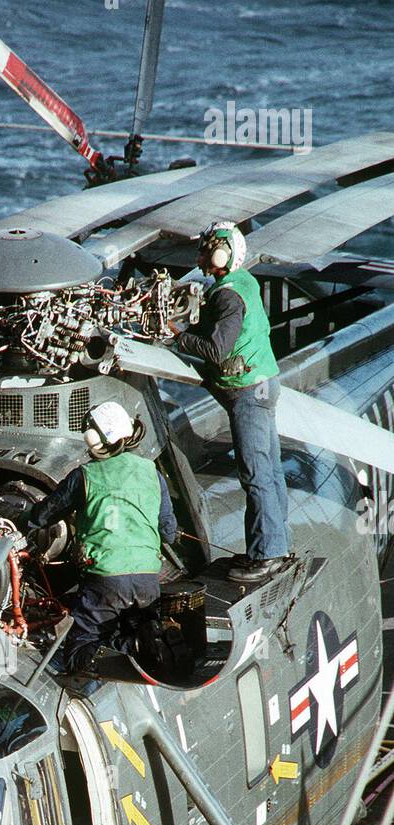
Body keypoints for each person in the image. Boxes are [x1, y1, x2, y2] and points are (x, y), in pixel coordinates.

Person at [170, 220, 291, 584]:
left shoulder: (227, 295)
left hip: (246, 392)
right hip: (264, 383)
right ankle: (275, 544)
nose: (202, 254)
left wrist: (178, 336)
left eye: (207, 248)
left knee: (254, 474)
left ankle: (267, 554)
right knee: (270, 470)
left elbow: (215, 349)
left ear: (222, 253)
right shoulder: (242, 282)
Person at [23, 401, 177, 675]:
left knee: (80, 647)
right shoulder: (152, 473)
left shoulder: (84, 476)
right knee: (128, 621)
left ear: (93, 439)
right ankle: (146, 638)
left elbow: (44, 515)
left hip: (106, 580)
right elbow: (168, 532)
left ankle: (128, 647)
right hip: (149, 580)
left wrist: (23, 523)